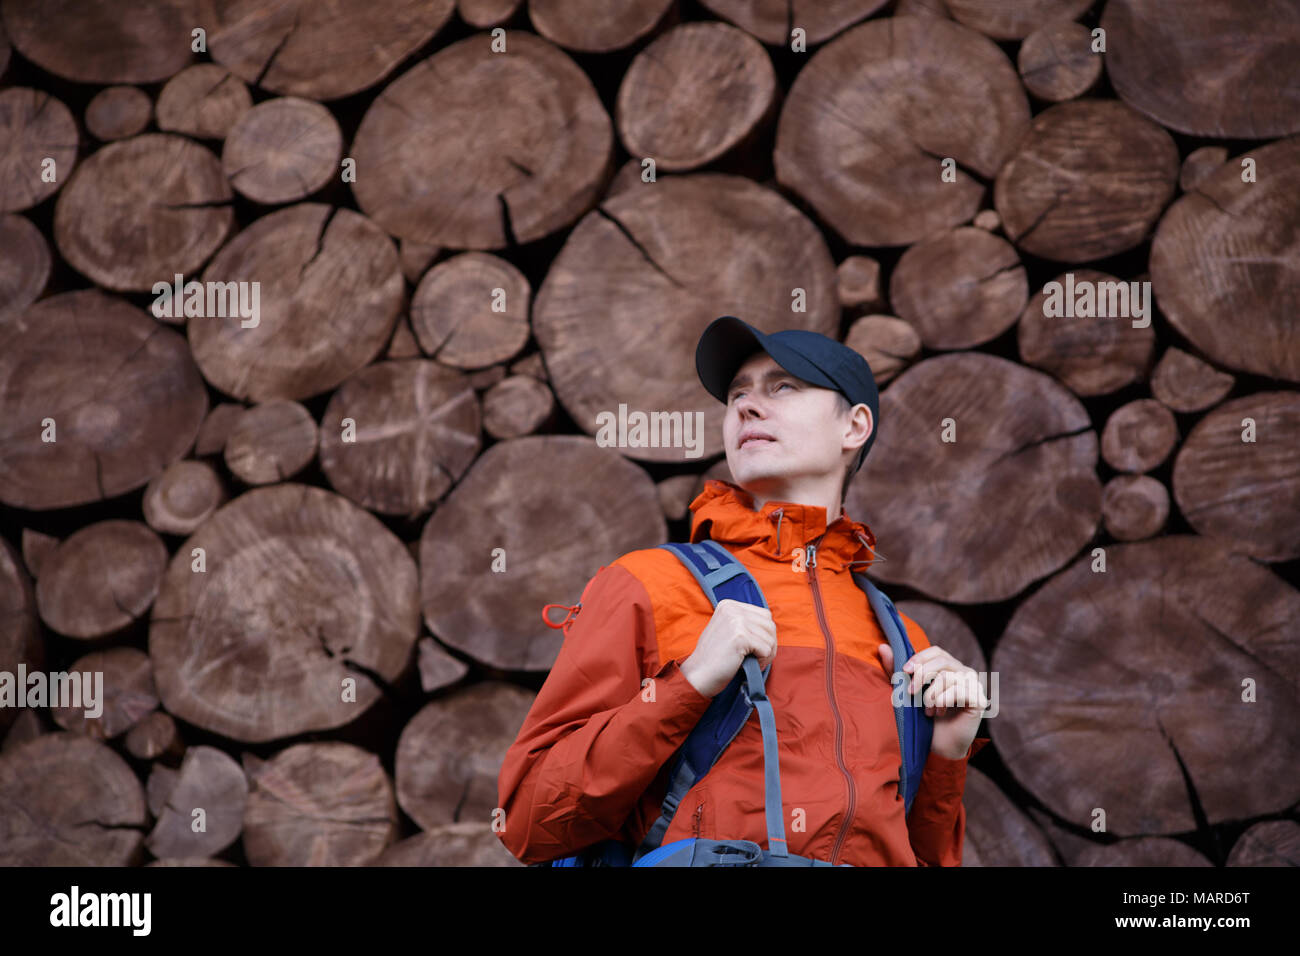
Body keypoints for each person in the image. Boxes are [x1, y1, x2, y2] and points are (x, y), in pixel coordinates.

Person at [496, 315, 990, 866]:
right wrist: (688, 686)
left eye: (783, 386)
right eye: (737, 396)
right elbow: (527, 821)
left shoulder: (901, 641)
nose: (747, 407)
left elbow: (921, 857)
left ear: (854, 426)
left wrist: (949, 751)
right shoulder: (648, 584)